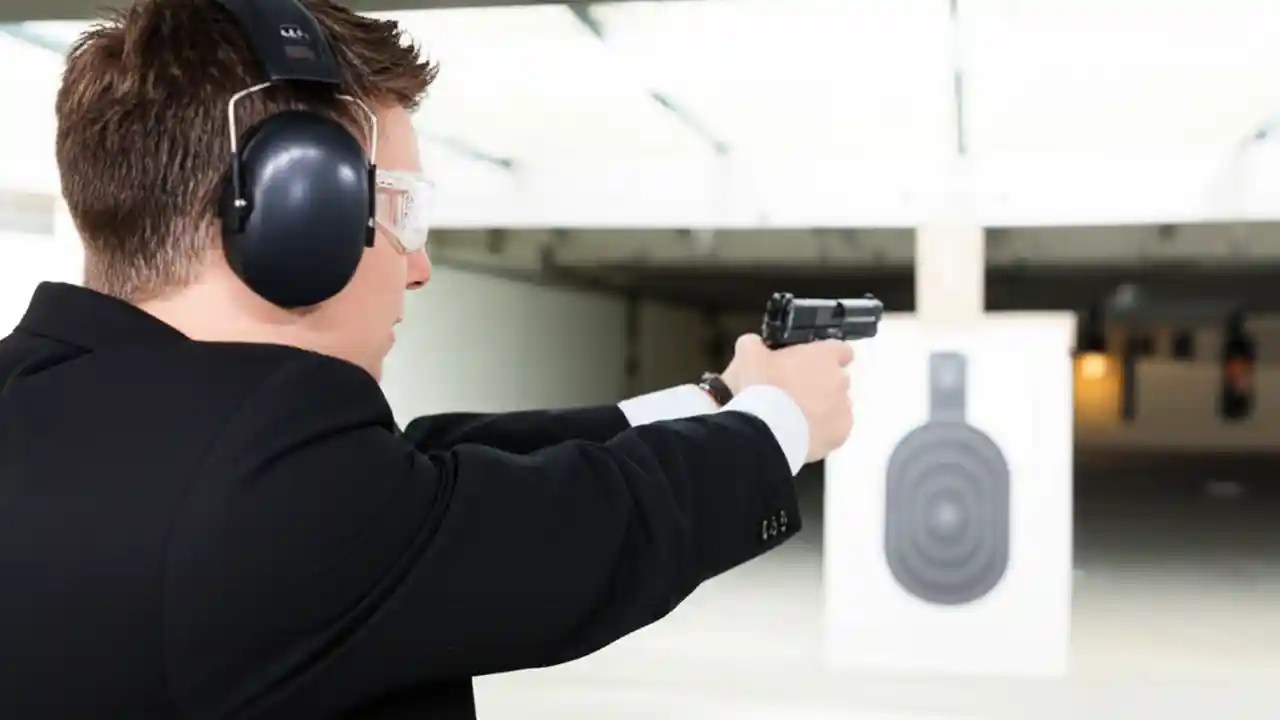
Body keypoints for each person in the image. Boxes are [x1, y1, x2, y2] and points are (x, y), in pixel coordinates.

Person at [0, 0, 854, 717]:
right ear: (299, 207)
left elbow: (423, 472)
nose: (418, 267)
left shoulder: (57, 406)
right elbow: (580, 531)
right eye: (399, 209)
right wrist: (779, 425)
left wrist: (713, 400)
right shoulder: (260, 495)